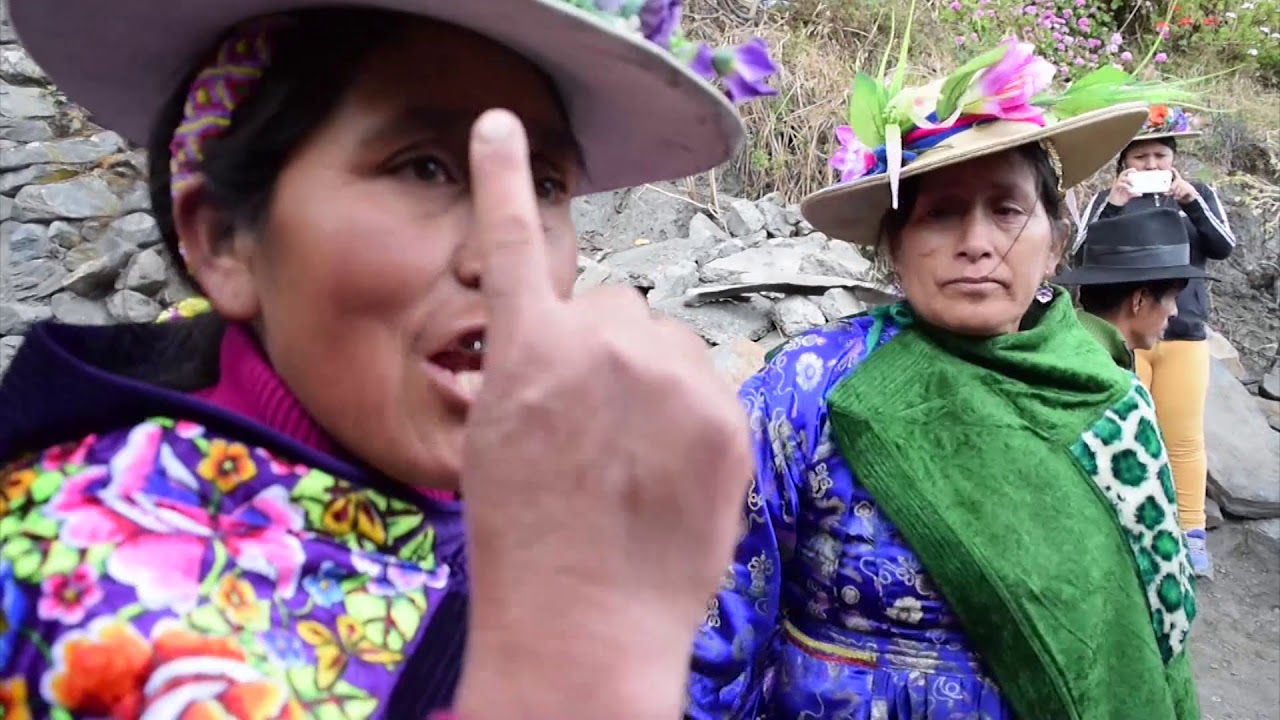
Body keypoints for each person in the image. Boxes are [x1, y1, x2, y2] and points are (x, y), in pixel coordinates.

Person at [0, 1, 778, 718]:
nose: (504, 261)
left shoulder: (509, 502)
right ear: (224, 241)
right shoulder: (89, 596)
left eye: (543, 184)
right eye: (424, 167)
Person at [685, 36, 1201, 720]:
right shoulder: (809, 386)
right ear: (893, 247)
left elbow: (1145, 630)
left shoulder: (1109, 400)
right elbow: (715, 609)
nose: (978, 242)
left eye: (1008, 210)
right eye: (942, 213)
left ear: (1055, 241)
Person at [1073, 104, 1234, 577]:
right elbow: (1082, 254)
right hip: (1122, 332)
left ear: (1174, 160)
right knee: (1121, 428)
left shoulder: (1197, 196)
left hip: (1183, 331)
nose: (1151, 166)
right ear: (1124, 164)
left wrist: (1189, 199)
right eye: (1140, 158)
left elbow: (1222, 245)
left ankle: (1191, 534)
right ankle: (1124, 526)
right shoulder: (1109, 200)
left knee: (1183, 438)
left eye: (1160, 157)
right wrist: (1114, 202)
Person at [1057, 207, 1205, 369]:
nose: (1174, 312)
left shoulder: (1056, 341)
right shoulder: (1105, 380)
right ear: (1139, 300)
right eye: (1172, 298)